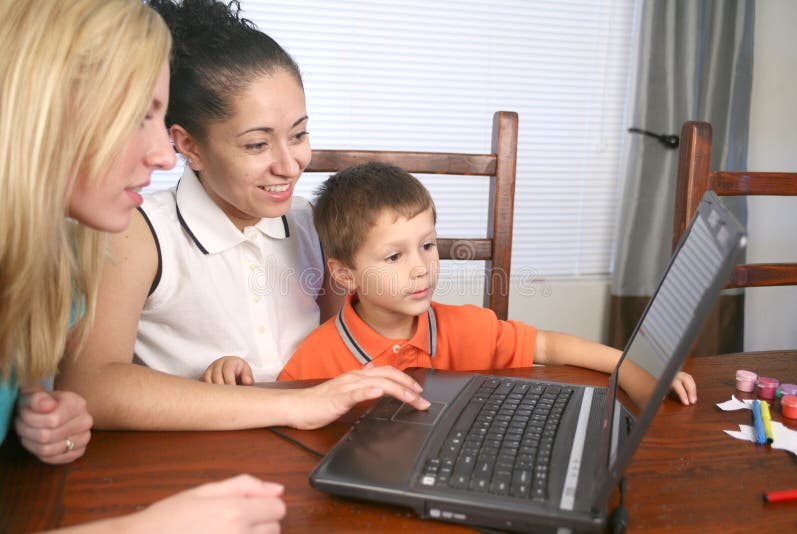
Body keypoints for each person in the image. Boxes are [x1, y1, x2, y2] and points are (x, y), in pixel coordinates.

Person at [55, 0, 429, 431]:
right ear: (190, 147)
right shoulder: (138, 232)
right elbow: (92, 386)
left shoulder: (314, 223)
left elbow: (345, 337)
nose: (289, 165)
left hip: (314, 445)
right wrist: (292, 406)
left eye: (299, 134)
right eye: (257, 145)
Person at [0, 0, 289, 531]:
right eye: (139, 116)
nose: (163, 154)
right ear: (38, 107)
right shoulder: (137, 233)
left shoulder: (49, 269)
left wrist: (32, 413)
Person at [277, 162, 698, 409]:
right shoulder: (315, 358)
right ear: (345, 274)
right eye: (394, 256)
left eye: (427, 245)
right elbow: (278, 420)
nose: (422, 267)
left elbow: (548, 347)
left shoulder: (467, 327)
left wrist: (630, 369)